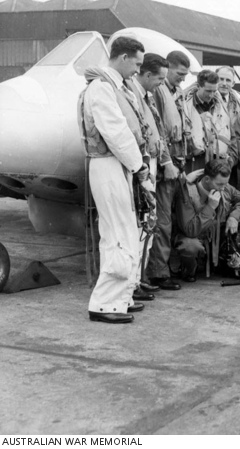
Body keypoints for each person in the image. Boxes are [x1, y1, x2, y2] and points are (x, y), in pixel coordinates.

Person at [77, 36, 149, 323]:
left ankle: (120, 297)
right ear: (123, 58)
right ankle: (105, 303)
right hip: (109, 165)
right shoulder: (103, 89)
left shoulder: (106, 87)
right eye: (137, 63)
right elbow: (117, 133)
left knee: (117, 233)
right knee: (121, 235)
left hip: (112, 165)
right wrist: (139, 166)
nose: (137, 70)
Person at [146, 50, 191, 291]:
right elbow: (159, 131)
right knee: (162, 221)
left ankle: (163, 266)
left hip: (176, 166)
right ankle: (158, 273)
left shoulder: (177, 93)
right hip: (166, 169)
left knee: (170, 220)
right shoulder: (158, 92)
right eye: (179, 74)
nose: (182, 79)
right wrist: (168, 164)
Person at [174, 159, 240, 282]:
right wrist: (210, 207)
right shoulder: (187, 193)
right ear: (207, 179)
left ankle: (239, 266)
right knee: (189, 246)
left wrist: (234, 216)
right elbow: (189, 229)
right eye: (220, 185)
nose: (223, 188)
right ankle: (189, 269)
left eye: (225, 184)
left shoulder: (224, 187)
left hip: (219, 234)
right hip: (197, 236)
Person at [129, 53, 170, 302]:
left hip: (151, 166)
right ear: (146, 74)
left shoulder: (146, 97)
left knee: (148, 225)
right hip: (142, 168)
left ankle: (138, 278)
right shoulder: (133, 97)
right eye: (159, 78)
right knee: (139, 226)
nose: (161, 84)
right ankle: (132, 283)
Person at [184, 69, 238, 174]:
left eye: (214, 91)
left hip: (219, 164)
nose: (211, 95)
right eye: (208, 91)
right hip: (194, 164)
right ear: (198, 86)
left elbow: (232, 138)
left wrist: (230, 161)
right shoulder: (185, 107)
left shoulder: (223, 108)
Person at [215, 66, 240, 187]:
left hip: (233, 158)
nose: (224, 83)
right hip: (213, 156)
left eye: (228, 80)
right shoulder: (207, 100)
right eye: (220, 79)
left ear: (233, 83)